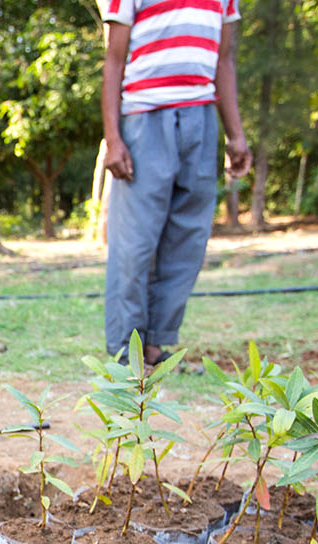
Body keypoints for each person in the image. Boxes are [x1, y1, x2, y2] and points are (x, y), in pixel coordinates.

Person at [101, 0, 252, 366]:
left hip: (201, 119)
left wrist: (236, 134)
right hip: (144, 118)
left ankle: (157, 343)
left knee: (187, 242)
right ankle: (127, 351)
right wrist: (114, 139)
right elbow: (114, 62)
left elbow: (224, 62)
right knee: (135, 243)